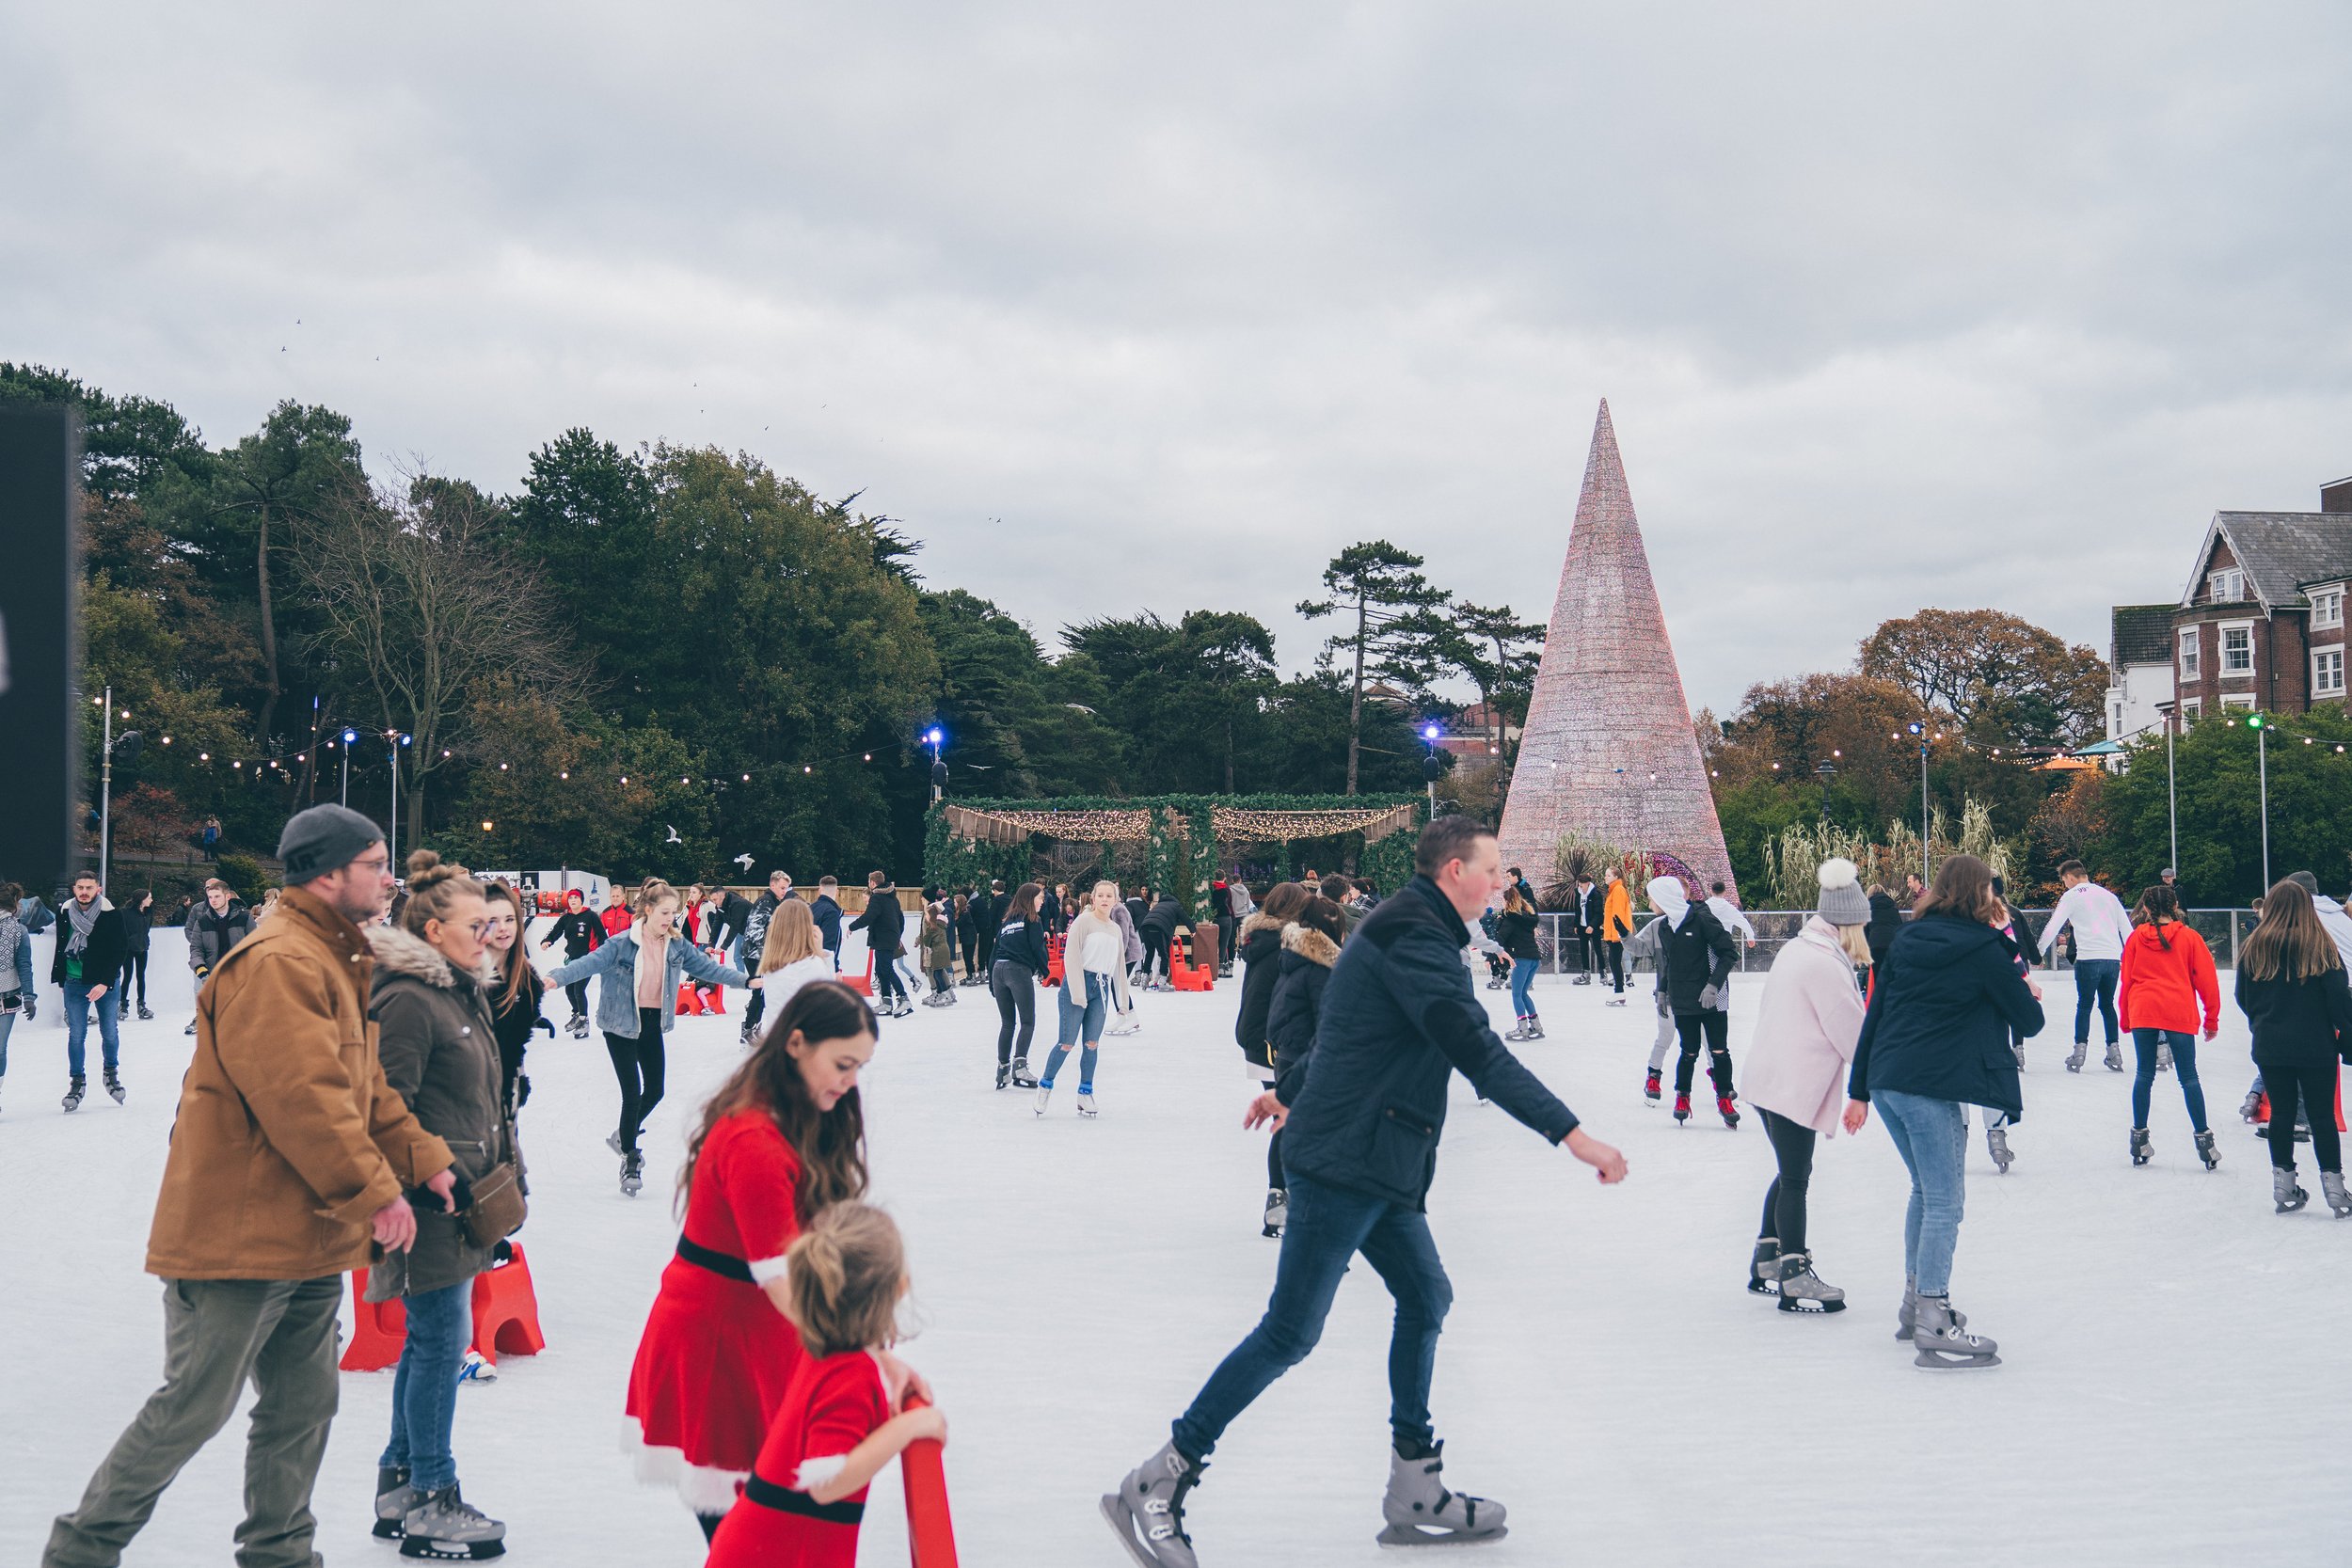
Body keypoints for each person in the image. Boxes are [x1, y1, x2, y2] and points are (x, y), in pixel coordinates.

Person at [1104, 817, 1628, 1564]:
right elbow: (1476, 1049)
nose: (1501, 880)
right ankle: (1156, 1482)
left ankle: (1414, 1483)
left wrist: (1294, 1093)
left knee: (1426, 1296)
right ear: (1455, 870)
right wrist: (1572, 1134)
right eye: (1493, 867)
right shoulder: (1416, 936)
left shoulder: (1404, 927)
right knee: (1290, 1331)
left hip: (1378, 1154)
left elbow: (1346, 1036)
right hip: (1348, 1161)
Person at [43, 804, 455, 1568]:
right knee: (194, 1406)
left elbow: (362, 1085)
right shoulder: (279, 961)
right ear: (330, 874)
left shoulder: (335, 954)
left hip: (307, 1234)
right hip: (235, 1235)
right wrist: (377, 1190)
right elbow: (302, 1098)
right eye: (376, 861)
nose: (390, 876)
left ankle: (279, 1555)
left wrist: (426, 1156)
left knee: (303, 1408)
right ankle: (77, 1553)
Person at [624, 981, 882, 1543]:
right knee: (747, 1537)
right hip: (716, 1348)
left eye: (859, 1067)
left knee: (767, 1533)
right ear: (795, 1044)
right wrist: (857, 1352)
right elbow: (783, 1278)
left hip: (759, 1337)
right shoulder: (753, 1139)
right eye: (842, 1063)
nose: (850, 1081)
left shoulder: (806, 1114)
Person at [364, 853, 511, 1559]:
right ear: (432, 929)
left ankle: (400, 1485)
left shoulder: (462, 991)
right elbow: (382, 1102)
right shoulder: (407, 999)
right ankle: (431, 1495)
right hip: (426, 1202)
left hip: (465, 1195)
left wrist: (504, 1170)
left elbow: (480, 1099)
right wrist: (429, 1174)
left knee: (432, 1341)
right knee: (442, 1342)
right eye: (476, 923)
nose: (489, 934)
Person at [1842, 853, 2039, 1370]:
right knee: (1946, 1202)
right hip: (1928, 1087)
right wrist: (2020, 983)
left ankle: (1914, 1306)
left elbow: (1876, 1012)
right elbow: (2031, 1021)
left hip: (1887, 1079)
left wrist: (1859, 1089)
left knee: (1924, 1191)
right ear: (1982, 894)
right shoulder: (1985, 947)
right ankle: (1933, 1314)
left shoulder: (1907, 940)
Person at [704, 1202, 946, 1568]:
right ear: (899, 1289)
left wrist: (887, 1365)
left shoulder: (824, 1350)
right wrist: (909, 1426)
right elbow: (826, 1481)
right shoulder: (850, 1375)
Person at [547, 879, 764, 1196]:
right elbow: (588, 963)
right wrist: (556, 977)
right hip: (620, 1024)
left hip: (650, 1023)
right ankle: (630, 1157)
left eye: (673, 912)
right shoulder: (621, 943)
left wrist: (747, 981)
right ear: (647, 910)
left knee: (656, 1089)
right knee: (632, 1092)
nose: (669, 918)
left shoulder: (676, 945)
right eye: (664, 912)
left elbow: (710, 969)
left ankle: (624, 1135)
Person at [1739, 859, 1871, 1312]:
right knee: (1796, 1178)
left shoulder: (1800, 949)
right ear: (1849, 924)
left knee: (1788, 1171)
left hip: (1770, 1076)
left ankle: (1766, 1259)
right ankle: (1794, 1275)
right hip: (1791, 1084)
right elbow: (1854, 1035)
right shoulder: (1824, 964)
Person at [2234, 879, 2352, 1217]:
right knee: (2321, 1117)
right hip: (2316, 1045)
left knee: (2282, 1115)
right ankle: (2335, 1187)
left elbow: (2243, 996)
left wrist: (2263, 1021)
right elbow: (2339, 998)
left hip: (2271, 1044)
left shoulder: (2254, 947)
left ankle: (2283, 1185)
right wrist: (2345, 1033)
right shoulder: (2321, 946)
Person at [1248, 895, 1344, 1240]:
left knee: (1288, 1128)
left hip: (1289, 1056)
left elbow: (1274, 1012)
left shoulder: (1289, 959)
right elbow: (1331, 1026)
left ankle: (1281, 1198)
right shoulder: (1321, 969)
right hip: (1310, 1061)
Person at [2118, 883, 2221, 1171]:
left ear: (2147, 909)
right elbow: (2207, 982)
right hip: (2178, 1009)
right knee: (2189, 1077)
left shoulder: (2137, 938)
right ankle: (2205, 1141)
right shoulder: (2189, 938)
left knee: (2144, 1073)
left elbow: (2126, 980)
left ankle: (2138, 1138)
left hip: (2143, 1009)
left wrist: (2126, 1017)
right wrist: (2211, 1020)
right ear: (2175, 907)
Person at [1232, 883, 1311, 1234]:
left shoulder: (1259, 938)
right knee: (1292, 1118)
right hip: (1275, 1041)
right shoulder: (1287, 942)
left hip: (1258, 1038)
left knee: (1288, 1117)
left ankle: (1280, 1198)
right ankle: (1284, 1197)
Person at [1653, 876, 1740, 1127]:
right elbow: (1669, 963)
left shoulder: (1702, 918)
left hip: (1710, 999)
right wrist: (1663, 991)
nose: (1650, 903)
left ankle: (1724, 1098)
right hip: (1682, 998)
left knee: (1718, 1051)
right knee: (1688, 1051)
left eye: (1653, 898)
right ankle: (1682, 1097)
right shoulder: (1664, 926)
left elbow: (1729, 952)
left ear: (1665, 898)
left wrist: (1713, 985)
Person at [1039, 881, 1131, 1117]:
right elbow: (1071, 957)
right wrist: (1078, 992)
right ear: (1093, 898)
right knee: (1067, 1042)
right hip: (1077, 985)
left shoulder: (1115, 929)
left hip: (1101, 988)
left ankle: (1085, 1093)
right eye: (1100, 895)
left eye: (1109, 896)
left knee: (1092, 1044)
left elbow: (1119, 965)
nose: (1104, 899)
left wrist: (1122, 1001)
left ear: (1116, 899)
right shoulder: (1083, 921)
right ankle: (1045, 1086)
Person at [2043, 859, 2134, 1072]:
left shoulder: (2071, 896)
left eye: (2064, 880)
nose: (2065, 885)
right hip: (2112, 959)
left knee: (2084, 1005)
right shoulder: (2110, 897)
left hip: (2088, 959)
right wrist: (2132, 957)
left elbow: (2052, 927)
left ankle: (2079, 1053)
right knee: (2107, 1005)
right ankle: (2115, 1053)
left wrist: (2037, 954)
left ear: (2069, 877)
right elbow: (2127, 930)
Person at [54, 871, 129, 1111]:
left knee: (109, 1031)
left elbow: (120, 949)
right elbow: (61, 943)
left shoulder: (111, 915)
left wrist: (104, 983)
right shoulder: (64, 912)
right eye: (80, 887)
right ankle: (77, 1081)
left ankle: (111, 1073)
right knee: (76, 1034)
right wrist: (62, 978)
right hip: (75, 981)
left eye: (89, 887)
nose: (84, 892)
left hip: (105, 983)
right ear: (74, 889)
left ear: (99, 889)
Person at [480, 879, 550, 1113]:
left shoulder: (523, 974)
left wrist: (531, 1017)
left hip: (508, 1080)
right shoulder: (465, 974)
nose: (503, 928)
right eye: (493, 921)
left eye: (509, 919)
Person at [989, 883, 1053, 1090]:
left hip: (999, 970)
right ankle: (1020, 1066)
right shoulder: (1033, 919)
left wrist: (991, 978)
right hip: (1017, 971)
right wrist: (1047, 972)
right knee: (1027, 1022)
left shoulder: (1007, 921)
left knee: (1007, 1023)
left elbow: (995, 950)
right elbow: (1037, 947)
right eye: (1040, 897)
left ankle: (1002, 1070)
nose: (1042, 901)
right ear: (1030, 898)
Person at [183, 877, 252, 1038]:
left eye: (217, 896)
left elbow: (254, 945)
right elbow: (195, 949)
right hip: (210, 973)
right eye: (210, 897)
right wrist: (201, 969)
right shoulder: (202, 921)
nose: (213, 901)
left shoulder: (244, 918)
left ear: (227, 897)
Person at [538, 887, 606, 1039]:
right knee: (569, 991)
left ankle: (584, 1021)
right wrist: (547, 941)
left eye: (576, 898)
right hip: (572, 960)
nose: (573, 900)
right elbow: (555, 931)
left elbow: (602, 936)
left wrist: (603, 956)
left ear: (581, 900)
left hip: (588, 959)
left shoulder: (591, 916)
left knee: (578, 990)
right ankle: (576, 1015)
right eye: (570, 898)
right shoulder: (566, 917)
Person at [755, 901, 835, 1025]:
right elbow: (830, 1002)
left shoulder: (771, 967)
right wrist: (821, 954)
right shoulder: (810, 965)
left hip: (778, 1038)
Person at [848, 873, 909, 1017]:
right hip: (886, 938)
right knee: (881, 970)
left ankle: (904, 998)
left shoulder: (877, 898)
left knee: (886, 969)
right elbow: (901, 919)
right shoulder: (893, 898)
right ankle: (887, 1002)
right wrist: (898, 935)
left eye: (869, 881)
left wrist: (852, 927)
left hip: (884, 938)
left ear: (873, 883)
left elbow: (869, 917)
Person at [1495, 885, 1543, 1040]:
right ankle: (1536, 1026)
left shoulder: (1511, 919)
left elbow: (1501, 938)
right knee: (1523, 993)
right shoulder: (1527, 917)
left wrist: (1491, 952)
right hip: (1534, 958)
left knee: (1516, 994)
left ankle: (1522, 1028)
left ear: (1507, 902)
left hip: (1522, 959)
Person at [0, 886, 26, 1111]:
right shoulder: (19, 929)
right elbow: (24, 965)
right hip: (9, 995)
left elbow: (24, 964)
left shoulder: (17, 930)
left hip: (7, 994)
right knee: (0, 1049)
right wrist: (29, 996)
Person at [119, 889, 155, 1020]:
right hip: (128, 949)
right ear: (142, 899)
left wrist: (144, 941)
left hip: (142, 947)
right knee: (127, 975)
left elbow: (147, 929)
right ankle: (122, 1004)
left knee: (141, 975)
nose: (151, 900)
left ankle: (141, 1005)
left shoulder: (148, 912)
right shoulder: (125, 913)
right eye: (149, 898)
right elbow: (121, 930)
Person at [1599, 867, 1633, 1003]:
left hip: (1617, 934)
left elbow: (1617, 915)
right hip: (1613, 933)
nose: (1605, 878)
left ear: (1615, 876)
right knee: (1614, 961)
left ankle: (1619, 991)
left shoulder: (1618, 890)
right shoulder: (1614, 890)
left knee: (1615, 961)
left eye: (1608, 875)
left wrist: (1615, 935)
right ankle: (1619, 991)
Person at [1137, 887, 1181, 990]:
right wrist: (1193, 931)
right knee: (1164, 955)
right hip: (1157, 929)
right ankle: (1163, 982)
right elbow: (1185, 918)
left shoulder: (1158, 906)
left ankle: (1144, 980)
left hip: (1144, 928)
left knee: (1149, 954)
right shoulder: (1175, 906)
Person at [918, 900, 959, 1006]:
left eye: (926, 915)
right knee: (938, 973)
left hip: (938, 952)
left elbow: (926, 941)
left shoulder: (933, 927)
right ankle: (942, 994)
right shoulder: (940, 925)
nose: (925, 918)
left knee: (937, 974)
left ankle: (946, 995)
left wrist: (926, 929)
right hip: (942, 950)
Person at [1570, 873, 1602, 984]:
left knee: (1598, 949)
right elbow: (1577, 910)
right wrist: (1576, 924)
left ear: (1588, 883)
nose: (1580, 886)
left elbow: (1599, 913)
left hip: (1593, 927)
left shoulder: (1595, 894)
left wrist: (1592, 925)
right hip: (1582, 926)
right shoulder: (1578, 894)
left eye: (1582, 884)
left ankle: (1603, 973)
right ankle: (1586, 973)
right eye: (1579, 884)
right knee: (1583, 950)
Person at [811, 877, 845, 971]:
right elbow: (828, 947)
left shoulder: (810, 908)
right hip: (822, 968)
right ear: (837, 892)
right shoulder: (832, 913)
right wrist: (835, 969)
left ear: (819, 891)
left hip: (807, 963)